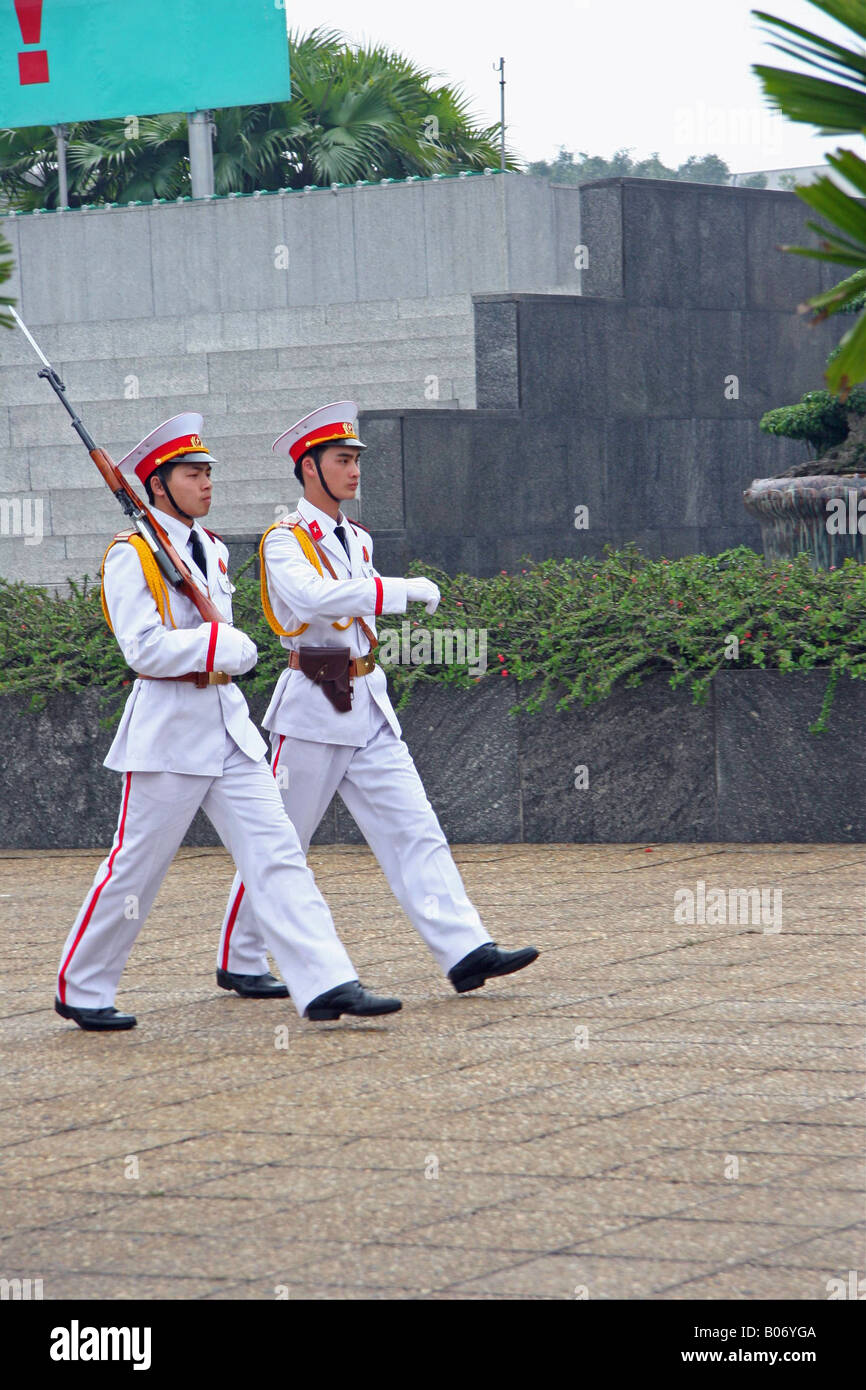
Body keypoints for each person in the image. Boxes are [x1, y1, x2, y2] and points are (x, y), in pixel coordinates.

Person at [55, 412, 401, 1031]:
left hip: (229, 728)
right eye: (193, 474)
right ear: (158, 486)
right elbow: (142, 648)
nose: (207, 484)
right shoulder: (131, 555)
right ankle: (82, 987)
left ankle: (326, 981)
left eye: (209, 472)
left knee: (277, 856)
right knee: (137, 865)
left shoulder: (209, 550)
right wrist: (220, 648)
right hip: (168, 732)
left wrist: (225, 649)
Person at [218, 401, 538, 999]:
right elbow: (314, 600)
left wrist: (381, 593)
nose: (355, 471)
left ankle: (465, 948)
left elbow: (350, 600)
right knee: (283, 840)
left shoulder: (356, 538)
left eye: (357, 460)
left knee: (413, 827)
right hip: (314, 700)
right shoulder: (284, 540)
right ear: (309, 469)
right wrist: (401, 590)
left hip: (366, 697)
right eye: (342, 460)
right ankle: (240, 955)